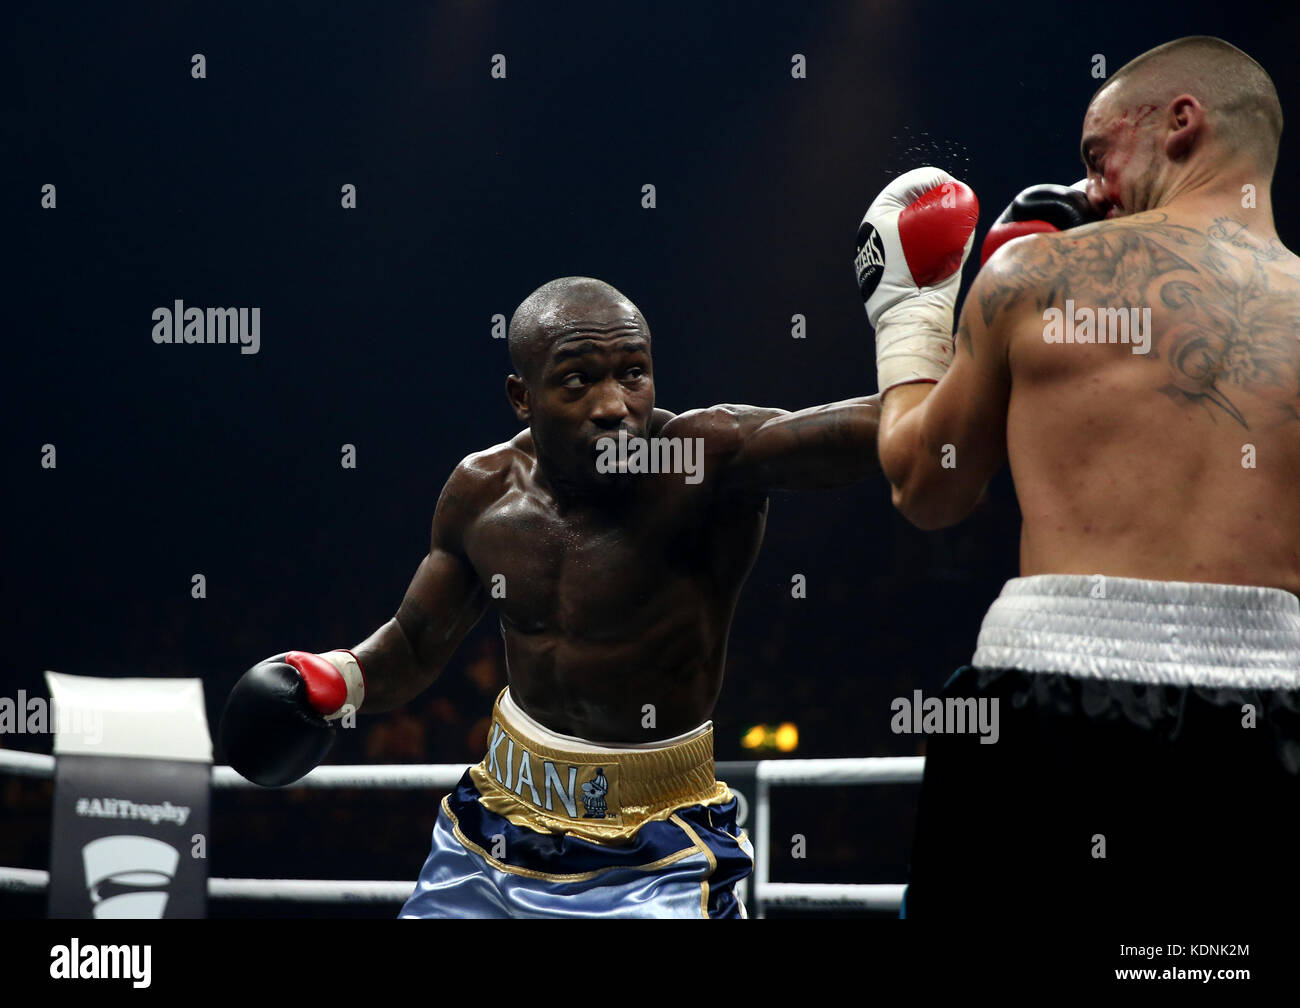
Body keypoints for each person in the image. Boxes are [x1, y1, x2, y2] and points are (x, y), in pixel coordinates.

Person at [221, 275, 881, 918]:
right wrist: (338, 679)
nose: (614, 404)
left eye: (633, 373)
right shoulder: (483, 492)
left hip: (654, 838)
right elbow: (416, 644)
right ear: (522, 395)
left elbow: (876, 432)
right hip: (495, 822)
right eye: (578, 379)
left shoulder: (707, 461)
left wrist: (915, 315)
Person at [858, 35, 1300, 920]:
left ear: (1182, 122)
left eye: (1100, 155)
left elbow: (926, 486)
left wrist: (911, 313)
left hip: (1051, 693)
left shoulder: (1035, 272)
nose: (1091, 188)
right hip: (1271, 709)